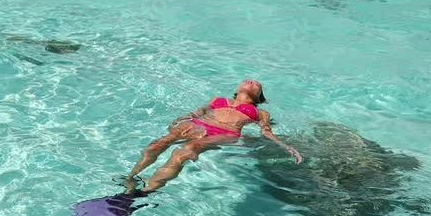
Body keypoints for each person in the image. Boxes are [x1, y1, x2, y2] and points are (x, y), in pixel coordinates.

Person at [125, 80, 302, 194]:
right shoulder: (217, 100)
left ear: (259, 97)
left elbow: (266, 131)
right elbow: (199, 112)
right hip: (199, 124)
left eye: (256, 85)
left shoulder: (260, 112)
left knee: (187, 149)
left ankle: (147, 190)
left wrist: (286, 146)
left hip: (226, 132)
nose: (251, 82)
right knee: (157, 144)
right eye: (248, 81)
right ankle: (130, 178)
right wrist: (184, 117)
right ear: (237, 88)